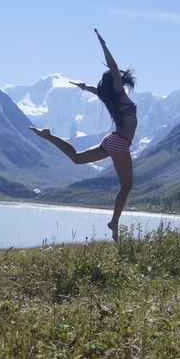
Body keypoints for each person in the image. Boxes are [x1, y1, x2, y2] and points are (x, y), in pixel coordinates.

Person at [29, 28, 137, 242]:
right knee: (126, 186)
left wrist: (83, 86)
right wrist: (103, 44)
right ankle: (114, 222)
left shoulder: (109, 97)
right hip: (120, 142)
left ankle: (48, 136)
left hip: (111, 139)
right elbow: (113, 67)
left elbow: (95, 89)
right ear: (116, 82)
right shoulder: (119, 95)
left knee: (77, 158)